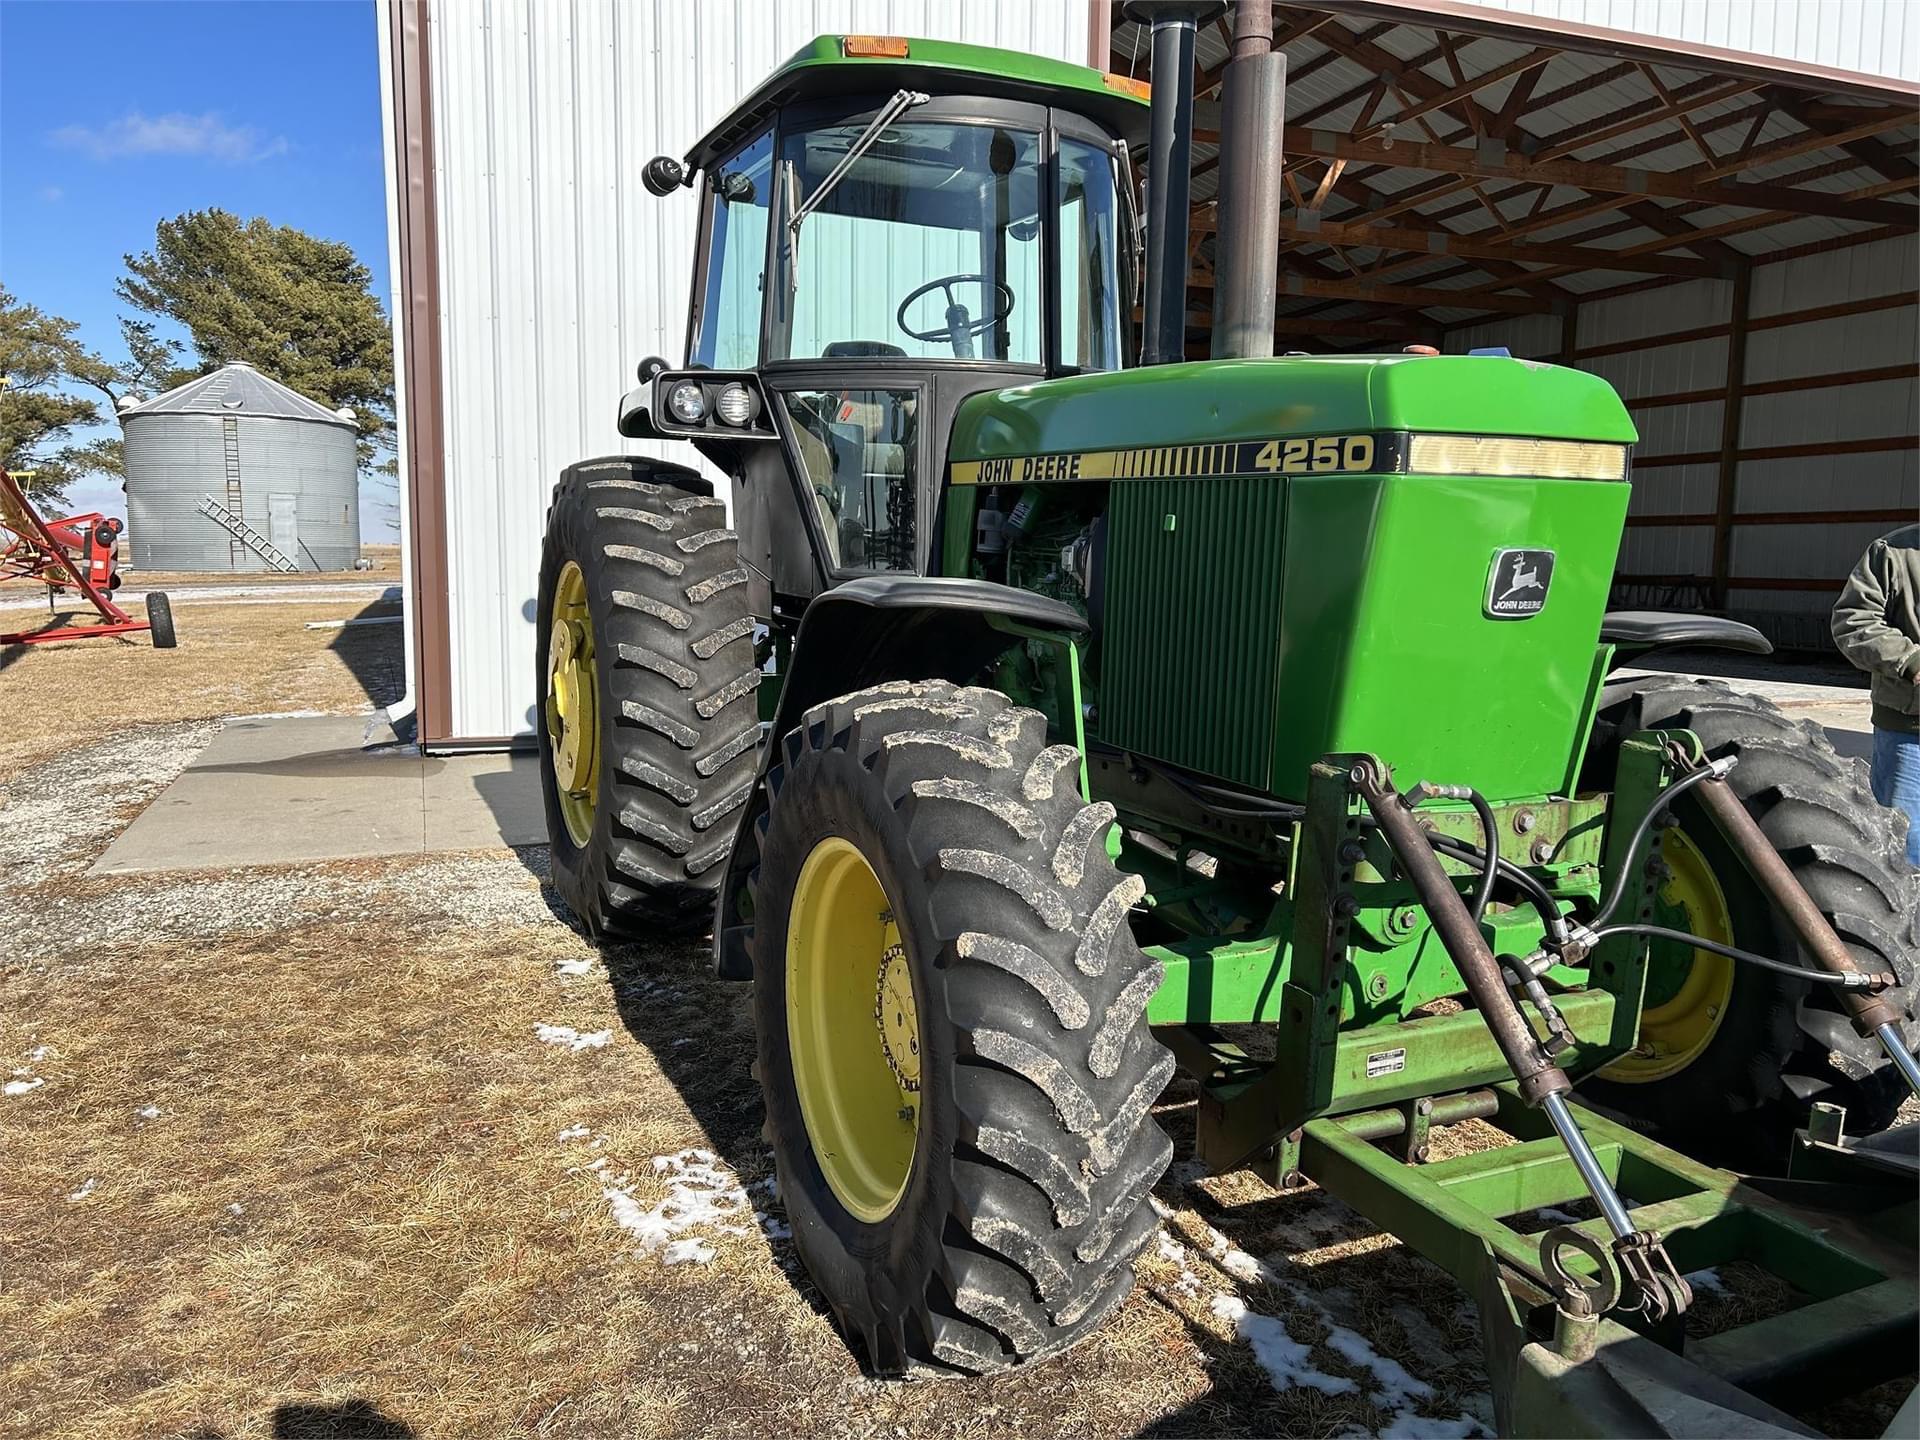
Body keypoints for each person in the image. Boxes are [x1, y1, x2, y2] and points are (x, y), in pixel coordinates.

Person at [1832, 524, 1920, 866]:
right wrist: (1909, 660)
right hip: (1909, 733)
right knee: (1902, 845)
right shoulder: (1893, 552)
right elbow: (1852, 621)